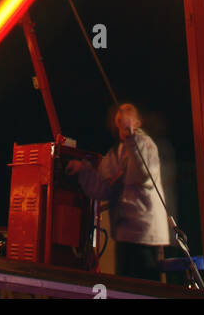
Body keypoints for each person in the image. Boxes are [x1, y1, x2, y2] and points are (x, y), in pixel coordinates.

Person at [66, 102, 169, 282]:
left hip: (145, 236)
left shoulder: (145, 144)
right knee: (124, 287)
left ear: (137, 122)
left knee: (145, 289)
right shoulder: (117, 153)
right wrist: (82, 170)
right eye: (120, 113)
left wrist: (131, 137)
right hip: (125, 234)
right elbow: (103, 189)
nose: (122, 115)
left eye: (128, 111)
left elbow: (143, 173)